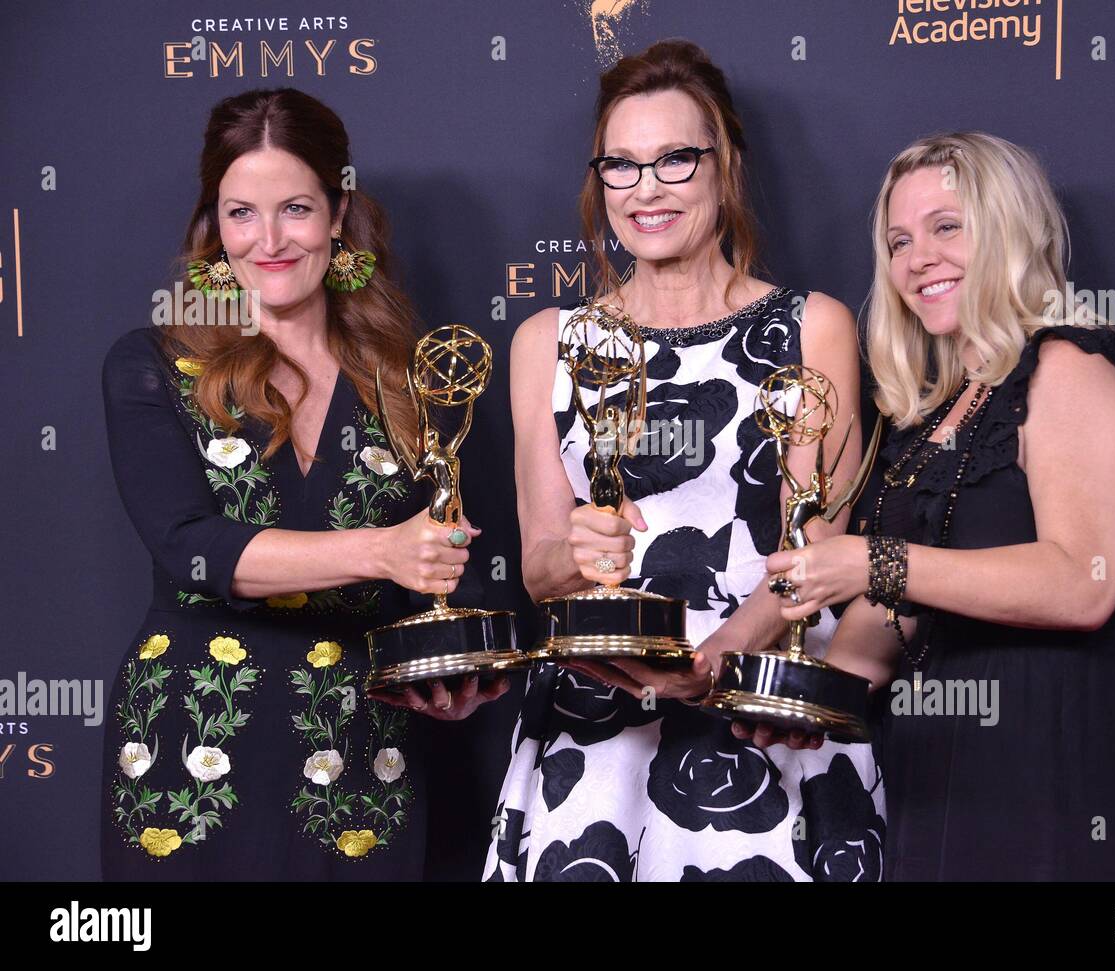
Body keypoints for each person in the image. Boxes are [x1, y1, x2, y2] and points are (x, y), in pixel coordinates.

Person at [484, 40, 885, 883]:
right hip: (598, 731)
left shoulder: (811, 326)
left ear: (723, 165)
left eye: (675, 159)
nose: (647, 189)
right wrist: (578, 552)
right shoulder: (547, 342)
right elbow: (540, 566)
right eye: (621, 166)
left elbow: (817, 548)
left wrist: (720, 656)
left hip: (764, 712)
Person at [749, 132, 1115, 880]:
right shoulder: (936, 412)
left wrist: (873, 561)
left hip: (1050, 759)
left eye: (946, 227)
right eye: (899, 241)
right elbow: (894, 620)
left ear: (1011, 230)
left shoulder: (1069, 364)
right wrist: (792, 697)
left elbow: (1084, 582)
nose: (917, 259)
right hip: (934, 767)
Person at [101, 88, 505, 880]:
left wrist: (451, 674)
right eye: (241, 213)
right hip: (192, 752)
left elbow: (438, 576)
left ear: (337, 213)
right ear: (214, 224)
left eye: (295, 208)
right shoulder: (153, 364)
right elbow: (192, 548)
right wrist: (382, 550)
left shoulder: (411, 379)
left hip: (361, 757)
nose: (269, 239)